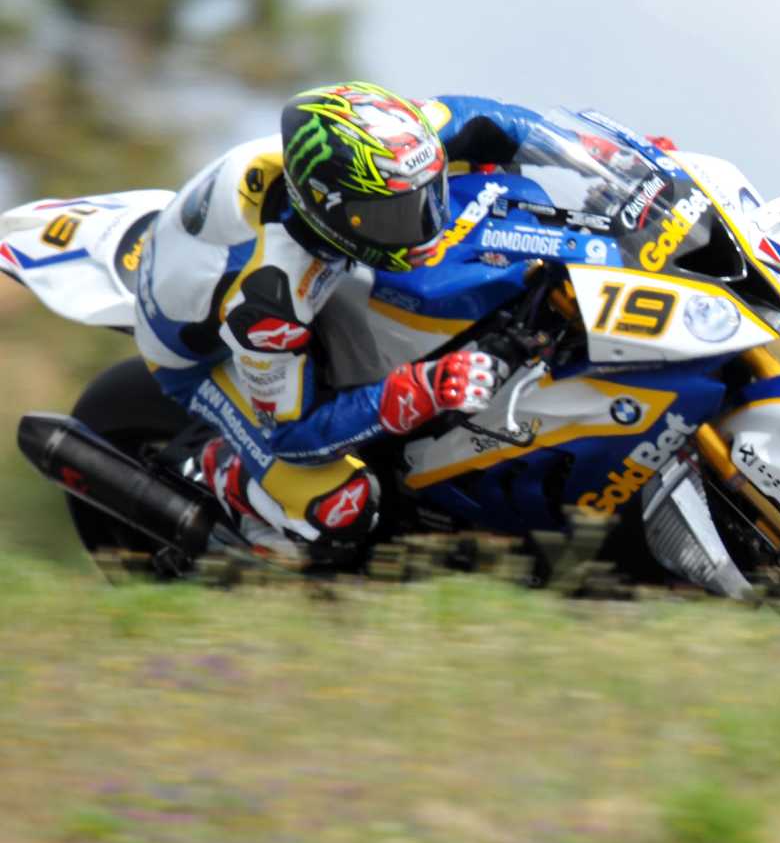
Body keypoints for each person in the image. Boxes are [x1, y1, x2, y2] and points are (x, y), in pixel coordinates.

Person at [133, 82, 542, 556]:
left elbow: (492, 120)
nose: (423, 229)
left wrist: (600, 157)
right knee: (340, 507)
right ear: (329, 209)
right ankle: (218, 469)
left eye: (425, 198)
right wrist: (418, 391)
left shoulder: (396, 151)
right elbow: (291, 434)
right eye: (391, 217)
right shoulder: (271, 295)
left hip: (256, 268)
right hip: (199, 356)